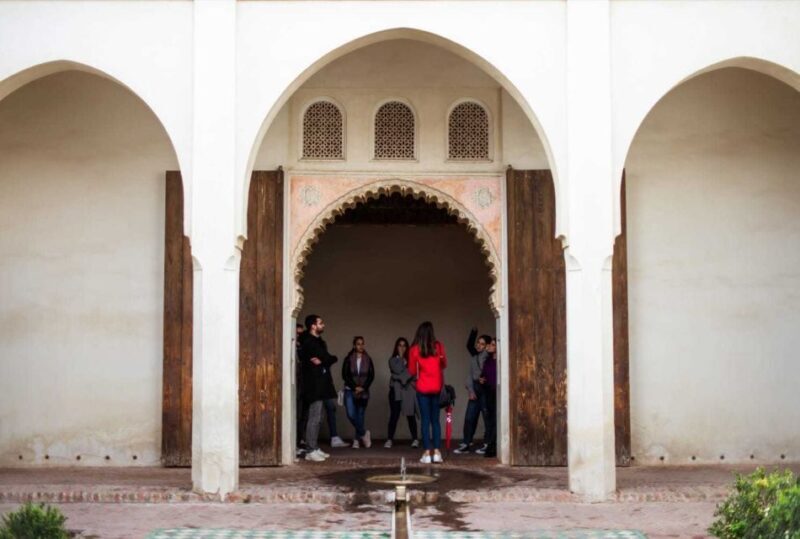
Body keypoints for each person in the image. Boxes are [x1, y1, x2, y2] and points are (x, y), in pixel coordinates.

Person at [297, 314, 338, 462]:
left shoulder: (318, 341)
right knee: (314, 417)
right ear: (313, 326)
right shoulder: (309, 342)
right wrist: (325, 360)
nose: (323, 325)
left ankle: (313, 447)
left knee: (319, 416)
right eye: (320, 323)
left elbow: (330, 358)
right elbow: (327, 358)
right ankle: (310, 450)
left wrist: (323, 361)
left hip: (321, 383)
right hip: (313, 384)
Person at [408, 321, 447, 464]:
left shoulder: (414, 350)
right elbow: (444, 364)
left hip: (422, 388)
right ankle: (437, 452)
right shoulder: (439, 347)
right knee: (435, 420)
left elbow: (412, 371)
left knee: (425, 421)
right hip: (436, 388)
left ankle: (426, 453)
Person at [454, 328, 492, 455]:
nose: (479, 346)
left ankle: (487, 444)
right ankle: (466, 442)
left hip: (485, 390)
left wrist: (486, 352)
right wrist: (470, 390)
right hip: (475, 389)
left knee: (487, 417)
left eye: (482, 344)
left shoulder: (488, 357)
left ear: (487, 346)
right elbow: (470, 375)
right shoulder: (474, 357)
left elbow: (485, 371)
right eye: (478, 343)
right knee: (470, 417)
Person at [385, 337, 419, 449]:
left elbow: (413, 374)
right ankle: (389, 439)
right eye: (400, 345)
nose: (402, 347)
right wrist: (404, 376)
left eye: (404, 345)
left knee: (410, 415)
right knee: (394, 415)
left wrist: (398, 378)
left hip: (408, 391)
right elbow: (397, 370)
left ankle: (415, 439)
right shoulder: (392, 360)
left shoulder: (411, 360)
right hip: (395, 391)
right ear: (396, 347)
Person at [341, 336, 375, 448]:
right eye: (358, 344)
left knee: (360, 416)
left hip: (363, 392)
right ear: (354, 345)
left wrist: (363, 387)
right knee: (351, 414)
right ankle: (364, 433)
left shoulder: (368, 359)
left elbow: (371, 376)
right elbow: (345, 375)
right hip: (350, 390)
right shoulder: (349, 358)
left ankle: (356, 440)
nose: (360, 346)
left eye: (362, 344)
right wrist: (354, 386)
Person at [477, 338, 497, 458]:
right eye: (489, 344)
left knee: (495, 420)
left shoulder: (500, 360)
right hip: (488, 392)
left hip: (497, 392)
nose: (489, 346)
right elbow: (483, 375)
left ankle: (492, 446)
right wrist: (481, 379)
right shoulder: (488, 360)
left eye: (493, 344)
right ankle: (489, 444)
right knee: (489, 420)